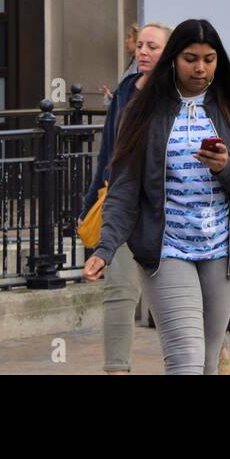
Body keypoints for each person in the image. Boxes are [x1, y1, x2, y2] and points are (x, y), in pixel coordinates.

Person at [83, 18, 230, 375]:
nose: (200, 68)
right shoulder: (143, 111)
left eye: (209, 58)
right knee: (184, 359)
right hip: (165, 249)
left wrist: (226, 168)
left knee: (207, 362)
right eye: (190, 58)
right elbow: (123, 188)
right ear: (173, 59)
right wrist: (105, 248)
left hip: (223, 251)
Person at [80, 22, 171, 374]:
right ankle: (117, 369)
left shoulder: (174, 97)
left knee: (173, 295)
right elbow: (107, 153)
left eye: (153, 47)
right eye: (141, 46)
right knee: (119, 291)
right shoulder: (124, 91)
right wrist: (91, 201)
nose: (143, 52)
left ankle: (210, 354)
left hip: (163, 207)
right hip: (119, 202)